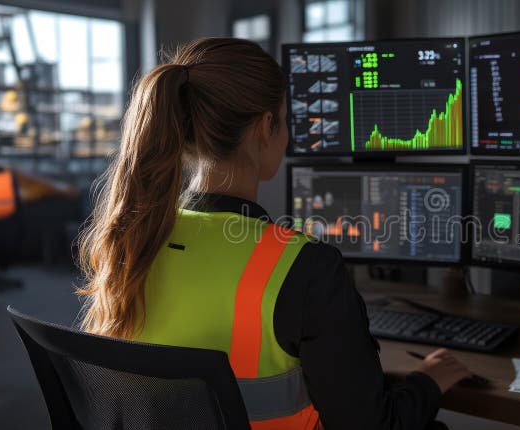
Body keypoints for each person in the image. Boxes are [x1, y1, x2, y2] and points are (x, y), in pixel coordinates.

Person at [77, 38, 471, 430]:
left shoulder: (133, 238)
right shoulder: (306, 268)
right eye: (285, 120)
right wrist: (429, 382)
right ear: (266, 127)